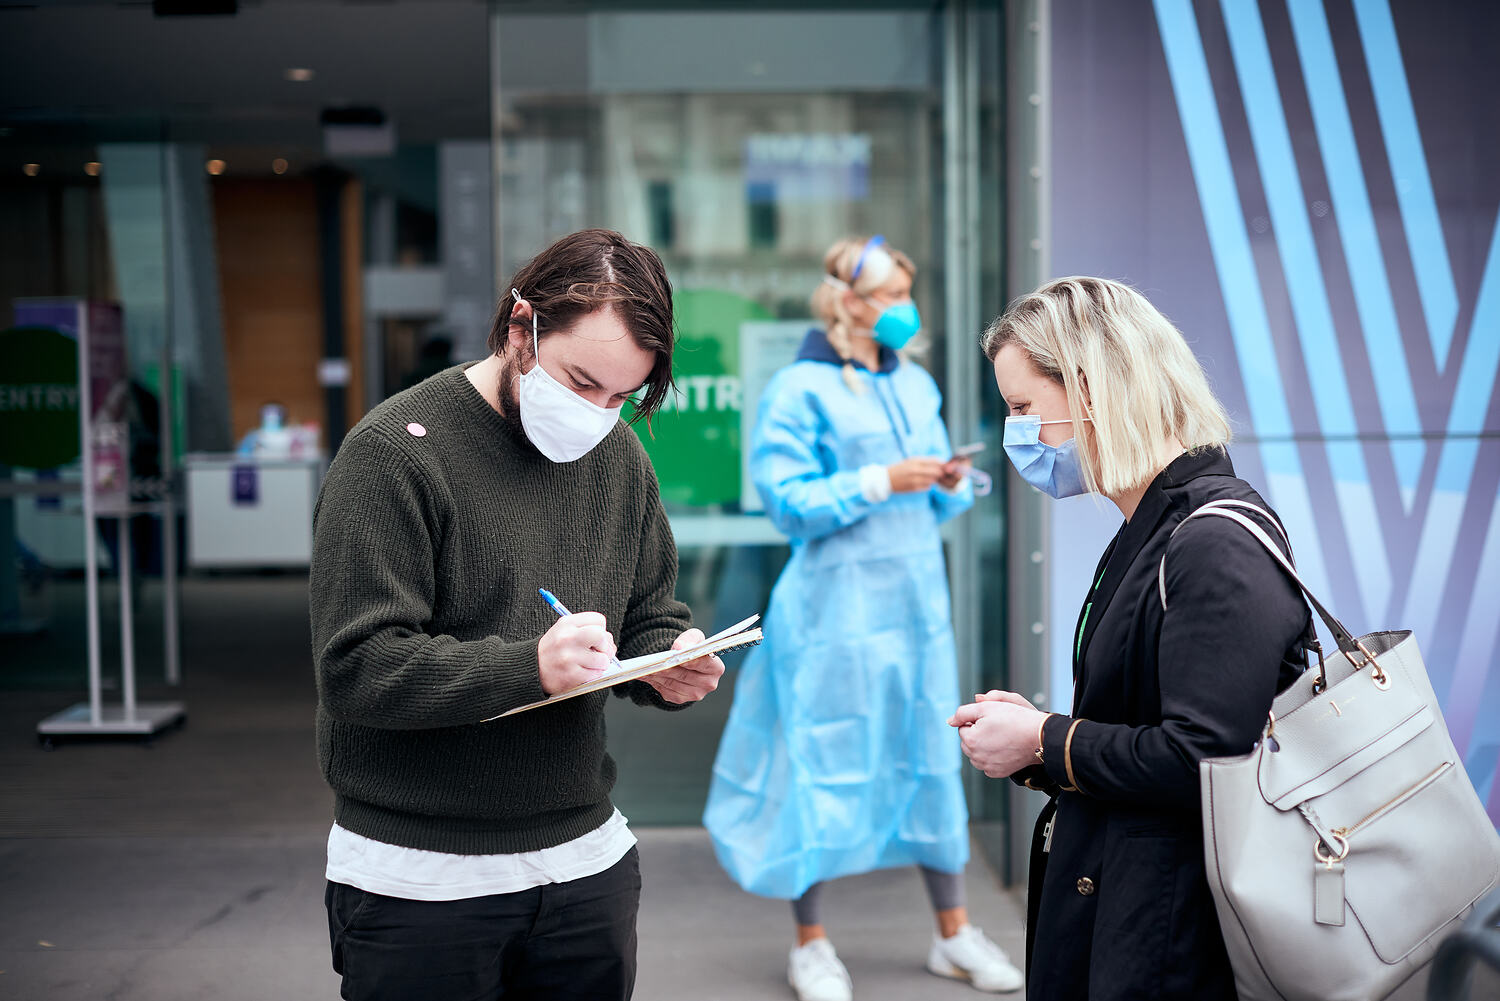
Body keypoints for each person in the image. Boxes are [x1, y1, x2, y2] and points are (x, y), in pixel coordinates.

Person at [309, 228, 726, 1001]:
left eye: (620, 396)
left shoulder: (616, 455)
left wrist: (669, 658)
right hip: (418, 878)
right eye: (580, 381)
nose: (597, 412)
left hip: (585, 862)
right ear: (519, 327)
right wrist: (528, 666)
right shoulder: (393, 453)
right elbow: (356, 667)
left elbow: (645, 611)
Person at [952, 276, 1312, 1000]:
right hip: (1134, 916)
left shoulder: (1211, 542)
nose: (1015, 431)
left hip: (1170, 943)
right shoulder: (1154, 525)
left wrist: (1045, 737)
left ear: (1088, 389)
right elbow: (1142, 726)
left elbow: (1201, 759)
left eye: (1024, 407)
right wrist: (1035, 740)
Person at [704, 235, 1024, 1001]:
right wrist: (879, 478)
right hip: (831, 611)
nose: (905, 311)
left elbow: (941, 492)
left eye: (908, 293)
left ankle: (954, 932)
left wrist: (951, 477)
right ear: (848, 301)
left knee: (930, 751)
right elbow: (787, 502)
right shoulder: (798, 389)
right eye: (891, 296)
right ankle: (810, 943)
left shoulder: (914, 384)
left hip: (915, 607)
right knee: (819, 754)